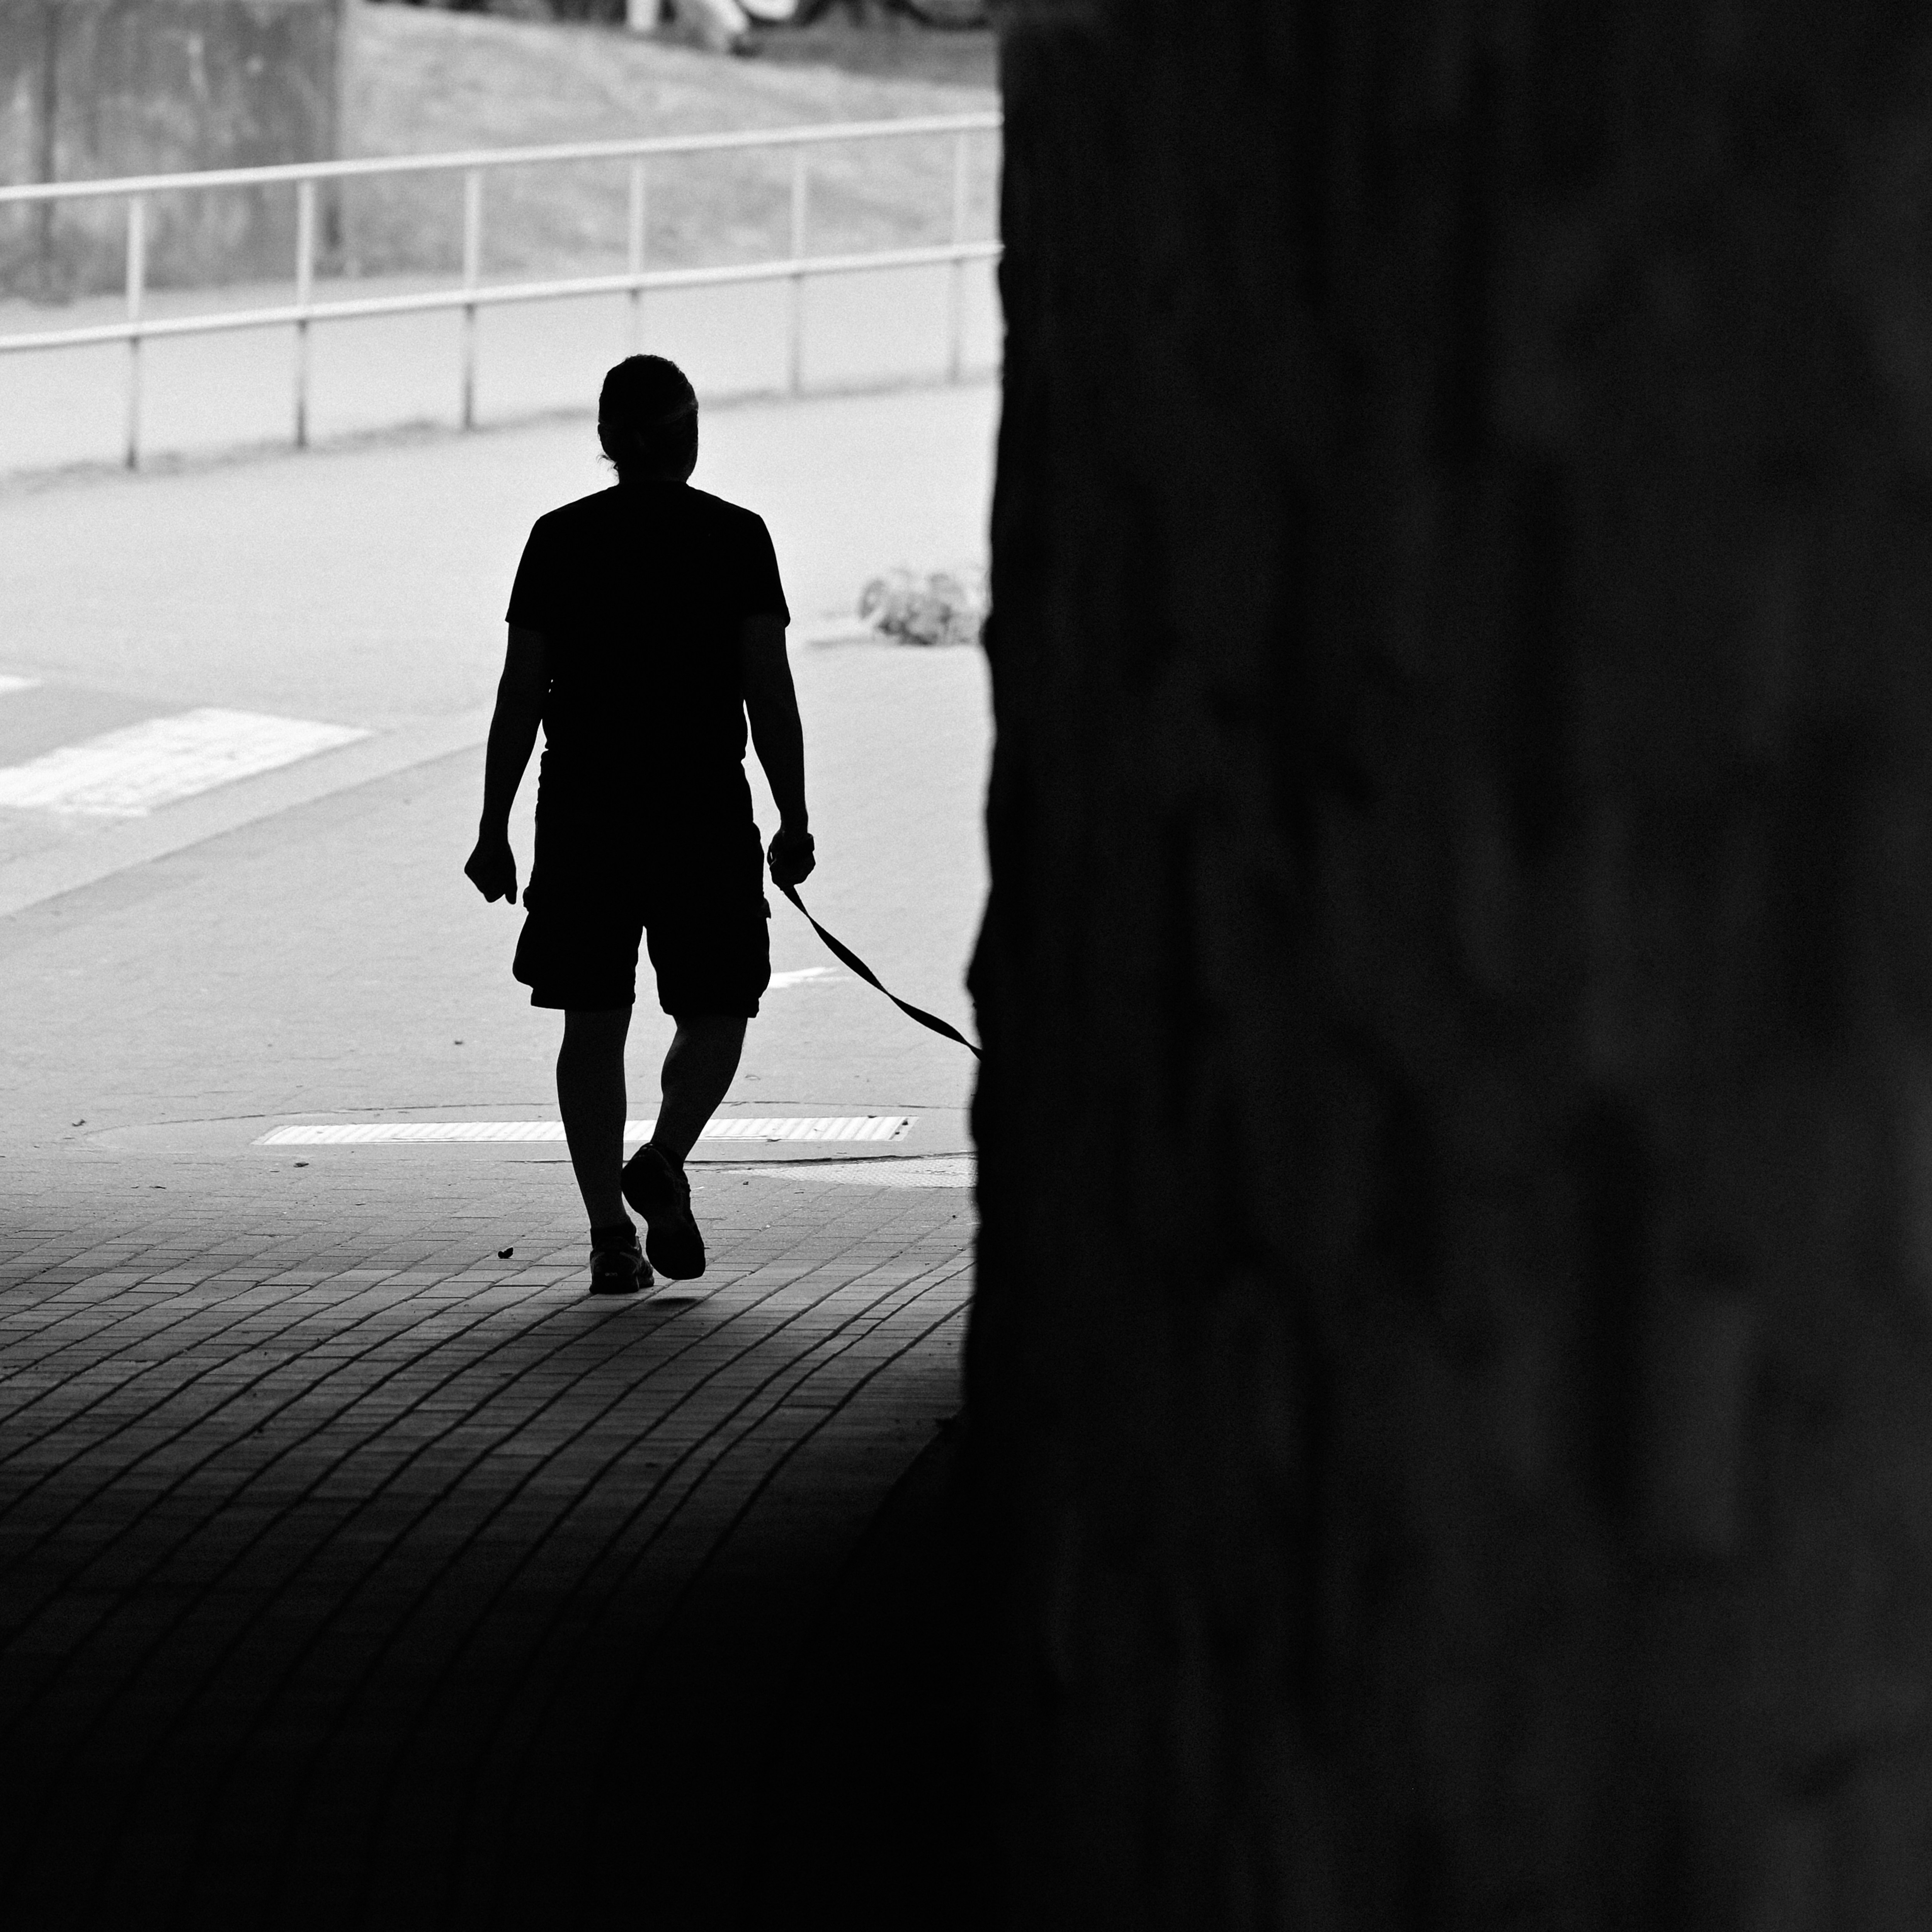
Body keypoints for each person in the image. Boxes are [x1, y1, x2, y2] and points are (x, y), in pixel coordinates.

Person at [463, 354, 815, 1294]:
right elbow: (765, 685)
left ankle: (609, 1238)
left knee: (592, 1022)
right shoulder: (737, 537)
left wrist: (493, 825)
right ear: (688, 434)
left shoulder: (559, 538)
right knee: (720, 1005)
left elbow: (519, 692)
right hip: (700, 804)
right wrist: (795, 813)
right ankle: (663, 1154)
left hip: (583, 808)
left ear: (609, 442)